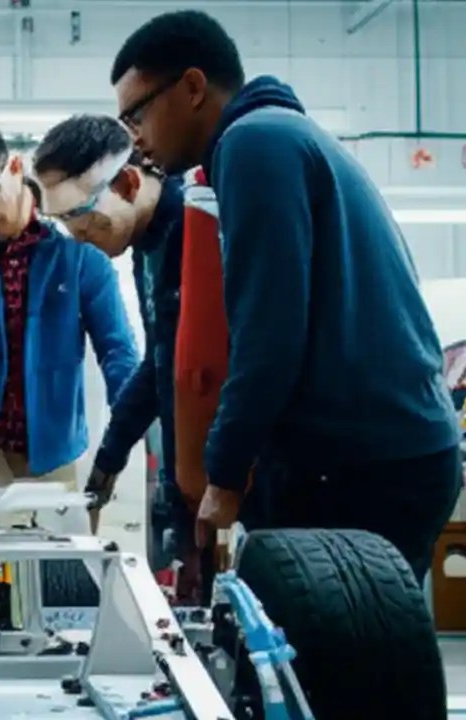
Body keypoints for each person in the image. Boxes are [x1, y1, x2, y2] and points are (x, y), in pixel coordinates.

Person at [110, 10, 461, 581]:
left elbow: (268, 330)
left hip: (366, 464)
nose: (135, 138)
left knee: (323, 636)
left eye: (136, 114)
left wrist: (224, 474)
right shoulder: (279, 136)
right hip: (394, 450)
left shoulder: (254, 145)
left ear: (193, 87)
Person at [0, 119, 138, 492]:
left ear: (15, 167)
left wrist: (130, 431)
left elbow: (118, 351)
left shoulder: (77, 247)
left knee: (58, 530)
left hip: (52, 452)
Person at [31, 114, 186, 561]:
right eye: (61, 220)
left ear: (128, 184)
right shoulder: (146, 246)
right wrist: (104, 470)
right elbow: (159, 363)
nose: (75, 234)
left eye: (79, 214)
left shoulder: (197, 231)